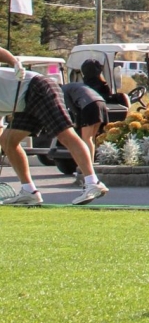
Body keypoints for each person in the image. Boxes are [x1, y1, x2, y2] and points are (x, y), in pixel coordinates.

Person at [0, 47, 109, 206]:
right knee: (8, 141)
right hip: (24, 103)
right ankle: (29, 191)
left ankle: (93, 183)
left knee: (64, 134)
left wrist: (15, 63)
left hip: (38, 87)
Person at [62, 81, 110, 182]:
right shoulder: (73, 86)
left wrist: (76, 124)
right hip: (101, 103)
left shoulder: (63, 91)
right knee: (91, 138)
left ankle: (88, 169)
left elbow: (71, 108)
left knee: (86, 139)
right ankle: (91, 166)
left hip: (89, 105)